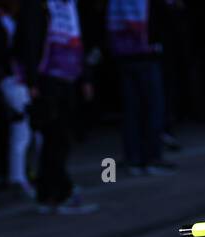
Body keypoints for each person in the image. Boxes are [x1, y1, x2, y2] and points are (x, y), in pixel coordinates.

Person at [18, 0, 98, 214]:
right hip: (48, 81)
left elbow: (82, 40)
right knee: (55, 137)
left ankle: (48, 193)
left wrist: (86, 78)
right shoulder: (40, 6)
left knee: (59, 138)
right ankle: (60, 193)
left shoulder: (73, 7)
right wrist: (33, 81)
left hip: (69, 80)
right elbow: (29, 41)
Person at [106, 0, 173, 175]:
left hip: (125, 53)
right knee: (152, 107)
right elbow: (138, 22)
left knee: (133, 109)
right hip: (142, 53)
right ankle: (151, 158)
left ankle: (135, 158)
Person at [0, 0, 35, 197]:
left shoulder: (17, 20)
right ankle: (17, 176)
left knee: (27, 130)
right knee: (21, 129)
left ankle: (23, 172)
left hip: (18, 79)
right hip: (8, 80)